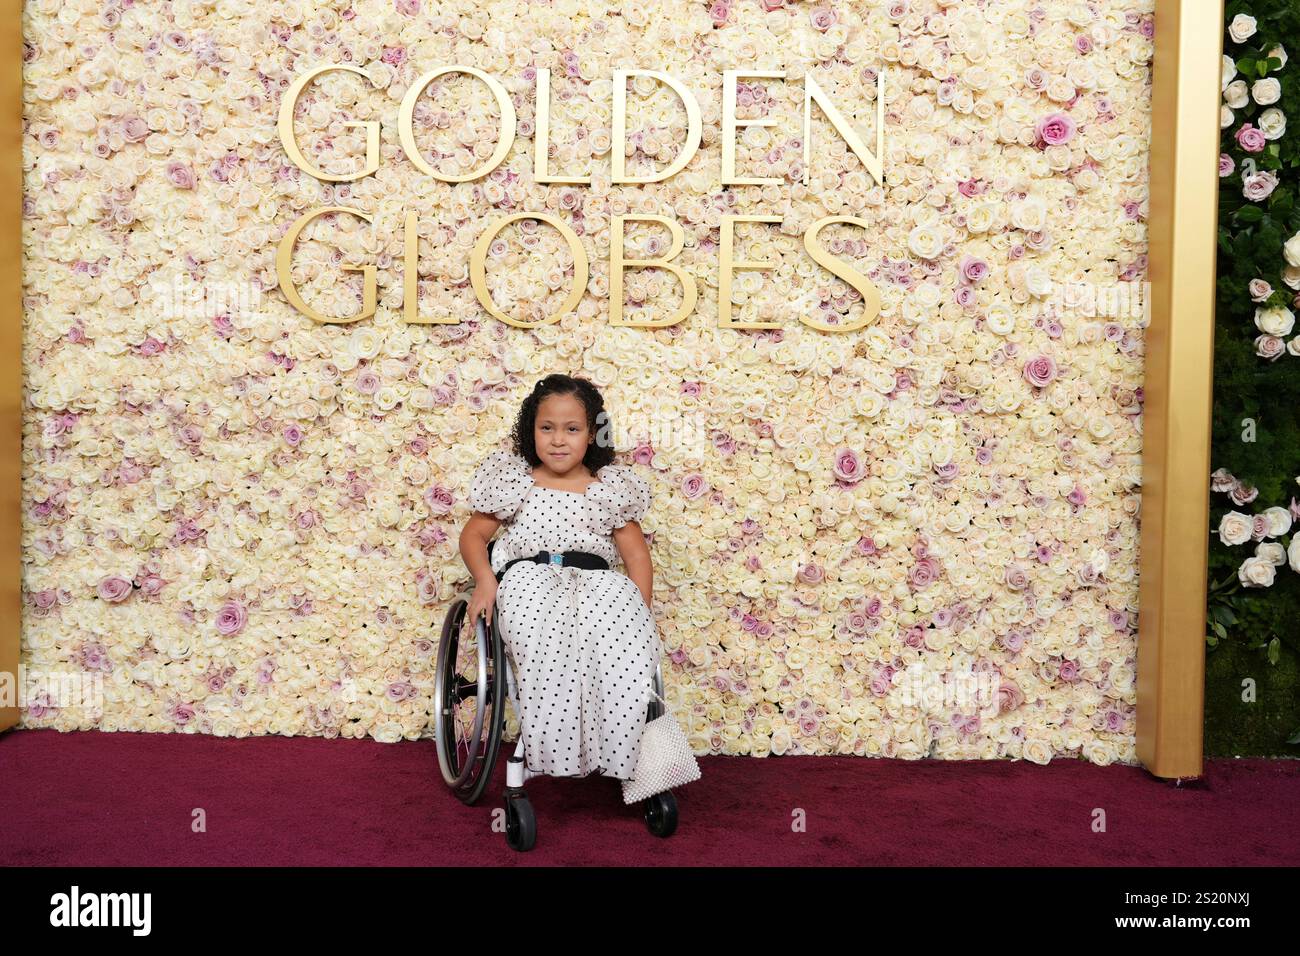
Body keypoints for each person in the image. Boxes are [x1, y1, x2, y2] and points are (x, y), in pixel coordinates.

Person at [458, 374, 685, 784]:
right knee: (543, 634)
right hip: (531, 578)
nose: (558, 440)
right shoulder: (517, 484)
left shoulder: (608, 489)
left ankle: (626, 755)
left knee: (622, 636)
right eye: (547, 428)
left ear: (592, 435)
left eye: (572, 429)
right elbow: (473, 535)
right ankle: (546, 749)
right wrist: (485, 580)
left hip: (598, 586)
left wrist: (640, 611)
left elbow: (636, 556)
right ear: (532, 432)